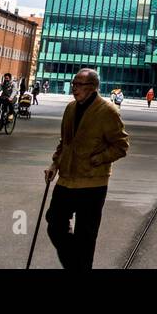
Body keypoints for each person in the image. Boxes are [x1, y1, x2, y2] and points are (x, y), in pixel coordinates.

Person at [44, 68, 130, 269]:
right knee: (54, 224)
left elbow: (121, 145)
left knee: (86, 235)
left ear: (92, 88)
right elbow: (64, 142)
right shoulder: (70, 108)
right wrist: (54, 164)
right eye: (74, 84)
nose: (74, 88)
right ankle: (77, 265)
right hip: (66, 178)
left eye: (79, 85)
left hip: (93, 182)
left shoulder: (107, 111)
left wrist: (98, 159)